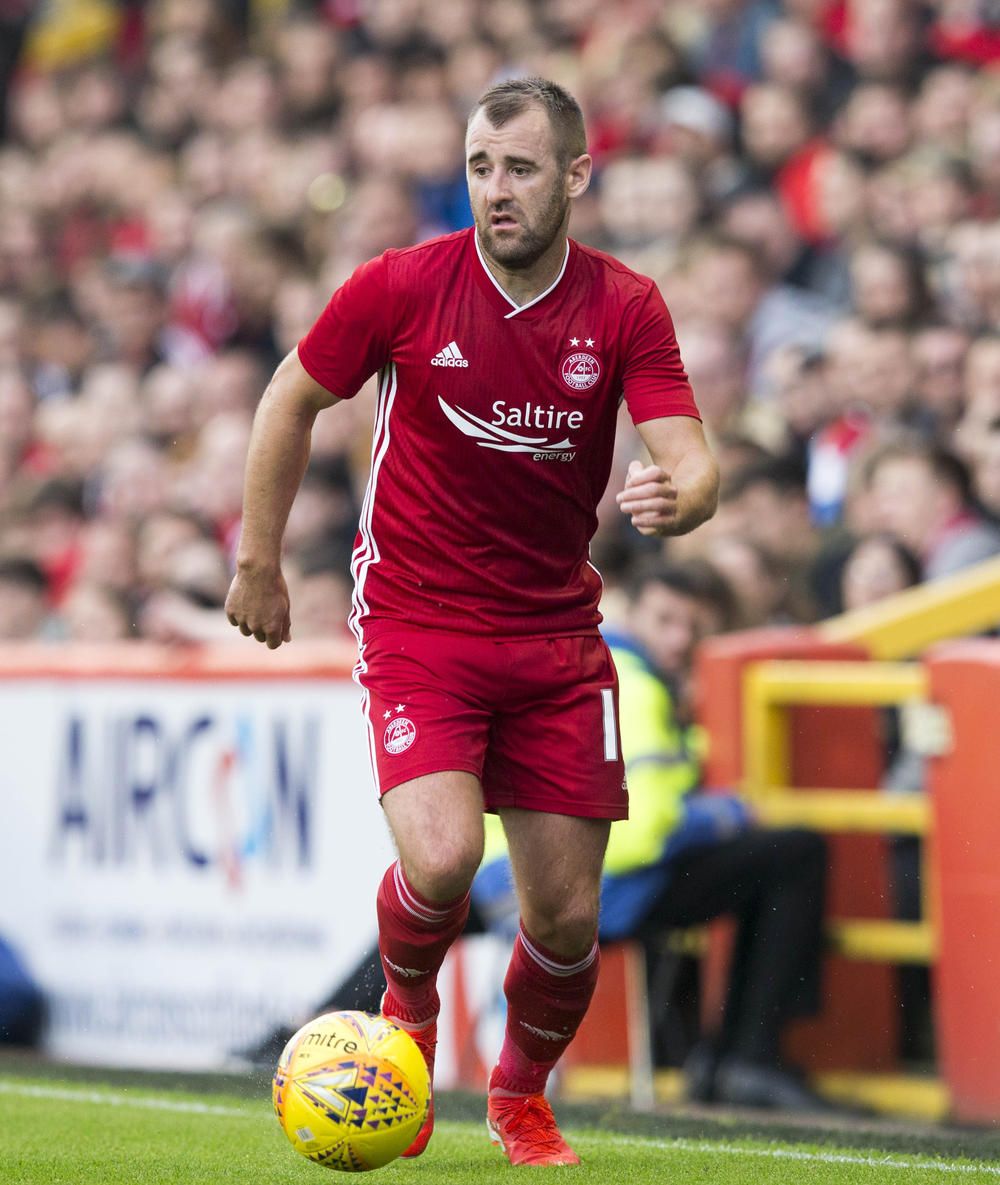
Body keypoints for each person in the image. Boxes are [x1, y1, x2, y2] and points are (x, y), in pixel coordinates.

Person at [225, 77, 718, 1167]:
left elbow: (691, 455)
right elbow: (288, 399)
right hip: (418, 617)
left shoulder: (625, 305)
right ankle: (407, 1021)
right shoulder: (401, 286)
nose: (495, 191)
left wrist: (682, 494)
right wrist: (260, 562)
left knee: (565, 921)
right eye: (479, 169)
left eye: (522, 169)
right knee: (443, 861)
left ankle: (518, 1098)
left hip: (553, 635)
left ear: (576, 177)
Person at [476, 560, 832, 1111]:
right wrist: (726, 814)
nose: (679, 639)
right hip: (598, 891)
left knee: (422, 902)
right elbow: (642, 830)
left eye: (693, 626)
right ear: (632, 611)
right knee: (796, 853)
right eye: (666, 621)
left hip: (503, 880)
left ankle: (321, 1023)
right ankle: (747, 1059)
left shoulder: (577, 660)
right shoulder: (634, 683)